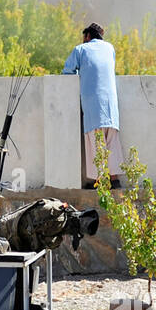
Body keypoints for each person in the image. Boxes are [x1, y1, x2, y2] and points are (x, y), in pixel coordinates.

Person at [62, 23, 121, 189]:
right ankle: (114, 180)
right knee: (112, 142)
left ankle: (101, 182)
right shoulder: (110, 48)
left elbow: (67, 72)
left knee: (97, 142)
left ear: (87, 36)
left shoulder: (81, 49)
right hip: (111, 106)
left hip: (93, 104)